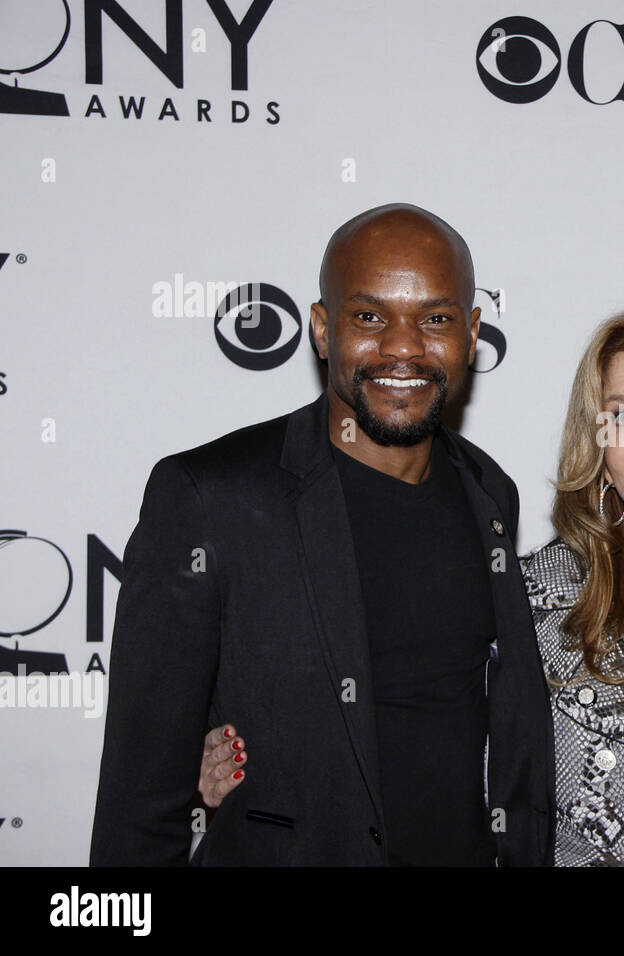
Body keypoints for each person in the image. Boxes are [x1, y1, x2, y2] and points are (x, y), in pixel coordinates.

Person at [202, 312, 624, 865]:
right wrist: (239, 748)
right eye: (622, 415)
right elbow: (396, 720)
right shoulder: (529, 600)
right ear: (600, 450)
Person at [91, 204, 554, 866]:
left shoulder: (489, 492)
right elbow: (141, 797)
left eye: (436, 318)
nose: (402, 346)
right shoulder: (210, 496)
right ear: (321, 328)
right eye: (369, 317)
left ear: (471, 333)